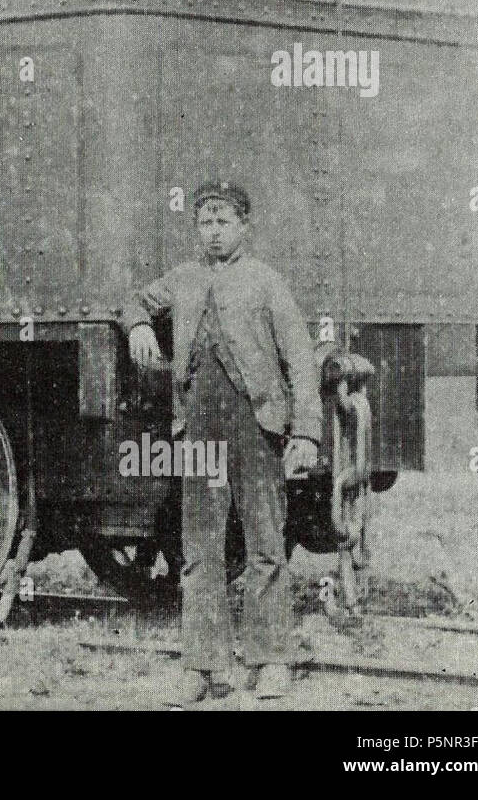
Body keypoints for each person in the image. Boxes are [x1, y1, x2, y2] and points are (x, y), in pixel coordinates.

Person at [118, 182, 321, 704]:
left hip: (257, 428)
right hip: (199, 430)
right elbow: (132, 300)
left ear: (244, 227)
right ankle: (203, 668)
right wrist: (139, 323)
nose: (213, 232)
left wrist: (305, 433)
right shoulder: (182, 280)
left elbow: (300, 360)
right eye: (205, 223)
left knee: (265, 547)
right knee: (200, 552)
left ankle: (270, 660)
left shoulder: (266, 282)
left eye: (223, 222)